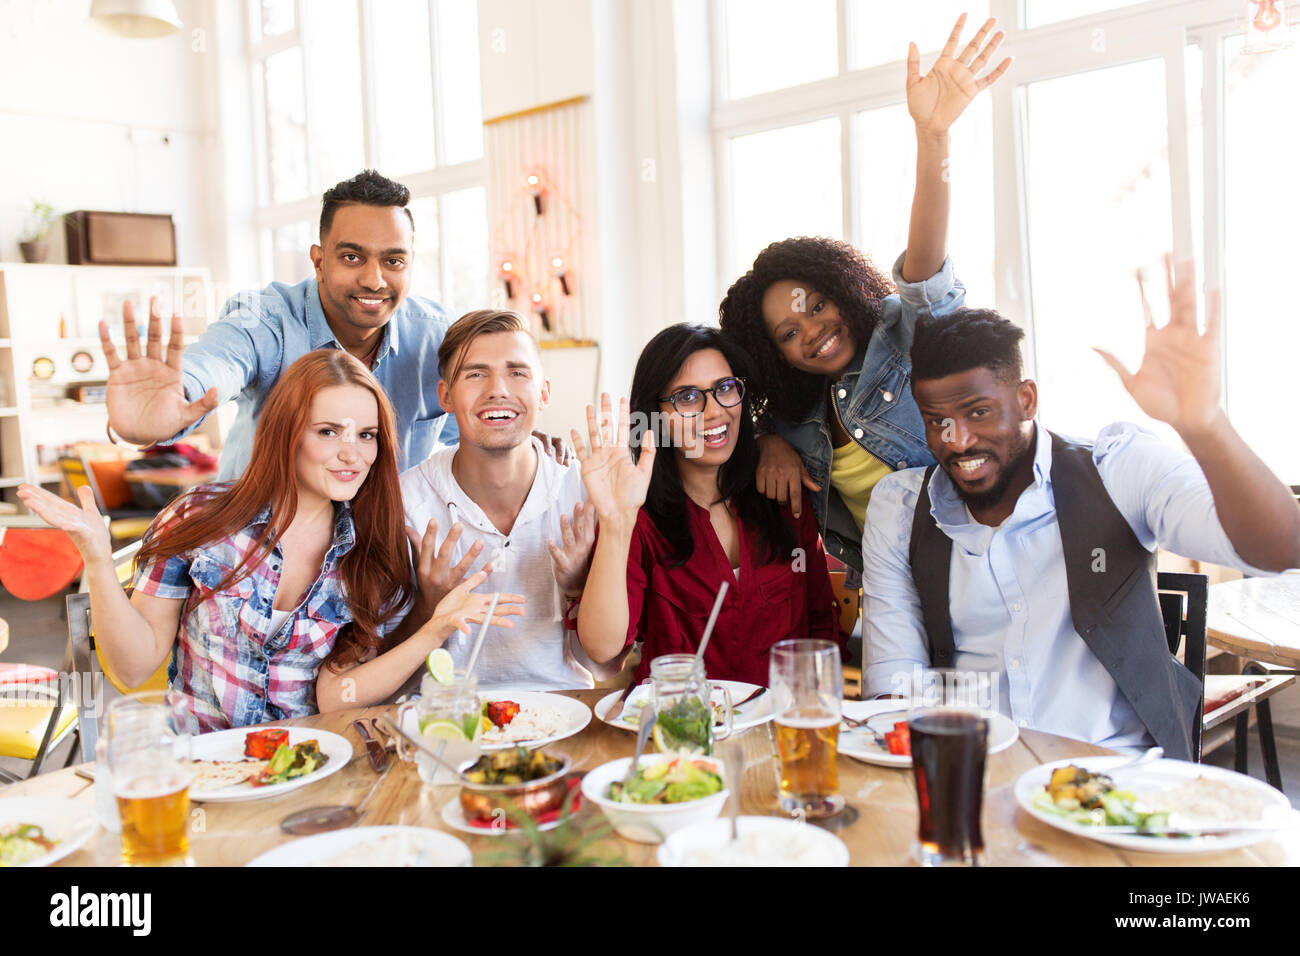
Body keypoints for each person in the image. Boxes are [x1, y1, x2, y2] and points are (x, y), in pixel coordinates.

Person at [860, 263, 1300, 758]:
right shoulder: (901, 508)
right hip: (978, 770)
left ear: (1026, 400)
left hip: (1120, 774)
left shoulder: (1117, 468)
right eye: (936, 420)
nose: (957, 440)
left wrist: (1204, 425)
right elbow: (895, 679)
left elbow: (1280, 548)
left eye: (978, 412)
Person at [18, 351, 521, 732]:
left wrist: (434, 627)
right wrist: (98, 560)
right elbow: (132, 668)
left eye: (367, 435)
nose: (352, 454)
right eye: (328, 431)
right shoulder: (200, 518)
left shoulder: (373, 550)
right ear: (287, 432)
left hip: (310, 771)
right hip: (203, 773)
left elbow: (337, 695)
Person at [718, 14, 1010, 572]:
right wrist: (766, 440)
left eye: (817, 306)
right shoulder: (793, 417)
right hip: (891, 587)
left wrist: (933, 137)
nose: (813, 332)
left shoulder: (902, 337)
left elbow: (924, 272)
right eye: (789, 333)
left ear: (842, 289)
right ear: (776, 355)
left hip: (983, 562)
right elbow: (727, 424)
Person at [100, 169, 460, 480]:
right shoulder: (264, 320)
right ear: (319, 262)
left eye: (393, 261)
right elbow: (216, 362)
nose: (373, 280)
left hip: (380, 539)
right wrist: (173, 397)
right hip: (259, 534)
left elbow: (476, 436)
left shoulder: (438, 338)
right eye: (352, 257)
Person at [574, 325, 842, 687]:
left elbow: (821, 626)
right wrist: (615, 523)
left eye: (725, 388)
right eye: (687, 397)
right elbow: (602, 647)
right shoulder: (636, 516)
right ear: (655, 417)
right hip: (681, 718)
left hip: (780, 717)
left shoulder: (781, 489)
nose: (715, 411)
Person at [397, 310, 603, 691]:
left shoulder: (584, 494)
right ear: (445, 396)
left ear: (543, 393)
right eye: (476, 374)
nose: (498, 390)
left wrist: (579, 590)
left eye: (517, 372)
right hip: (445, 717)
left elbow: (604, 665)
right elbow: (382, 680)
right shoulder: (405, 504)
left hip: (565, 711)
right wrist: (427, 610)